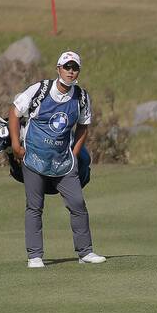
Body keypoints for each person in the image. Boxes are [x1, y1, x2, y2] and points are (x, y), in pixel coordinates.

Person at [8, 50, 105, 268]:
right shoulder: (40, 90)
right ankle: (35, 256)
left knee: (77, 203)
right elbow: (14, 112)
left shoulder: (81, 96)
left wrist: (75, 152)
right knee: (35, 206)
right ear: (58, 69)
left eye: (74, 68)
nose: (71, 72)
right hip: (34, 158)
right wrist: (16, 145)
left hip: (63, 161)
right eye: (67, 67)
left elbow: (83, 126)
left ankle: (85, 253)